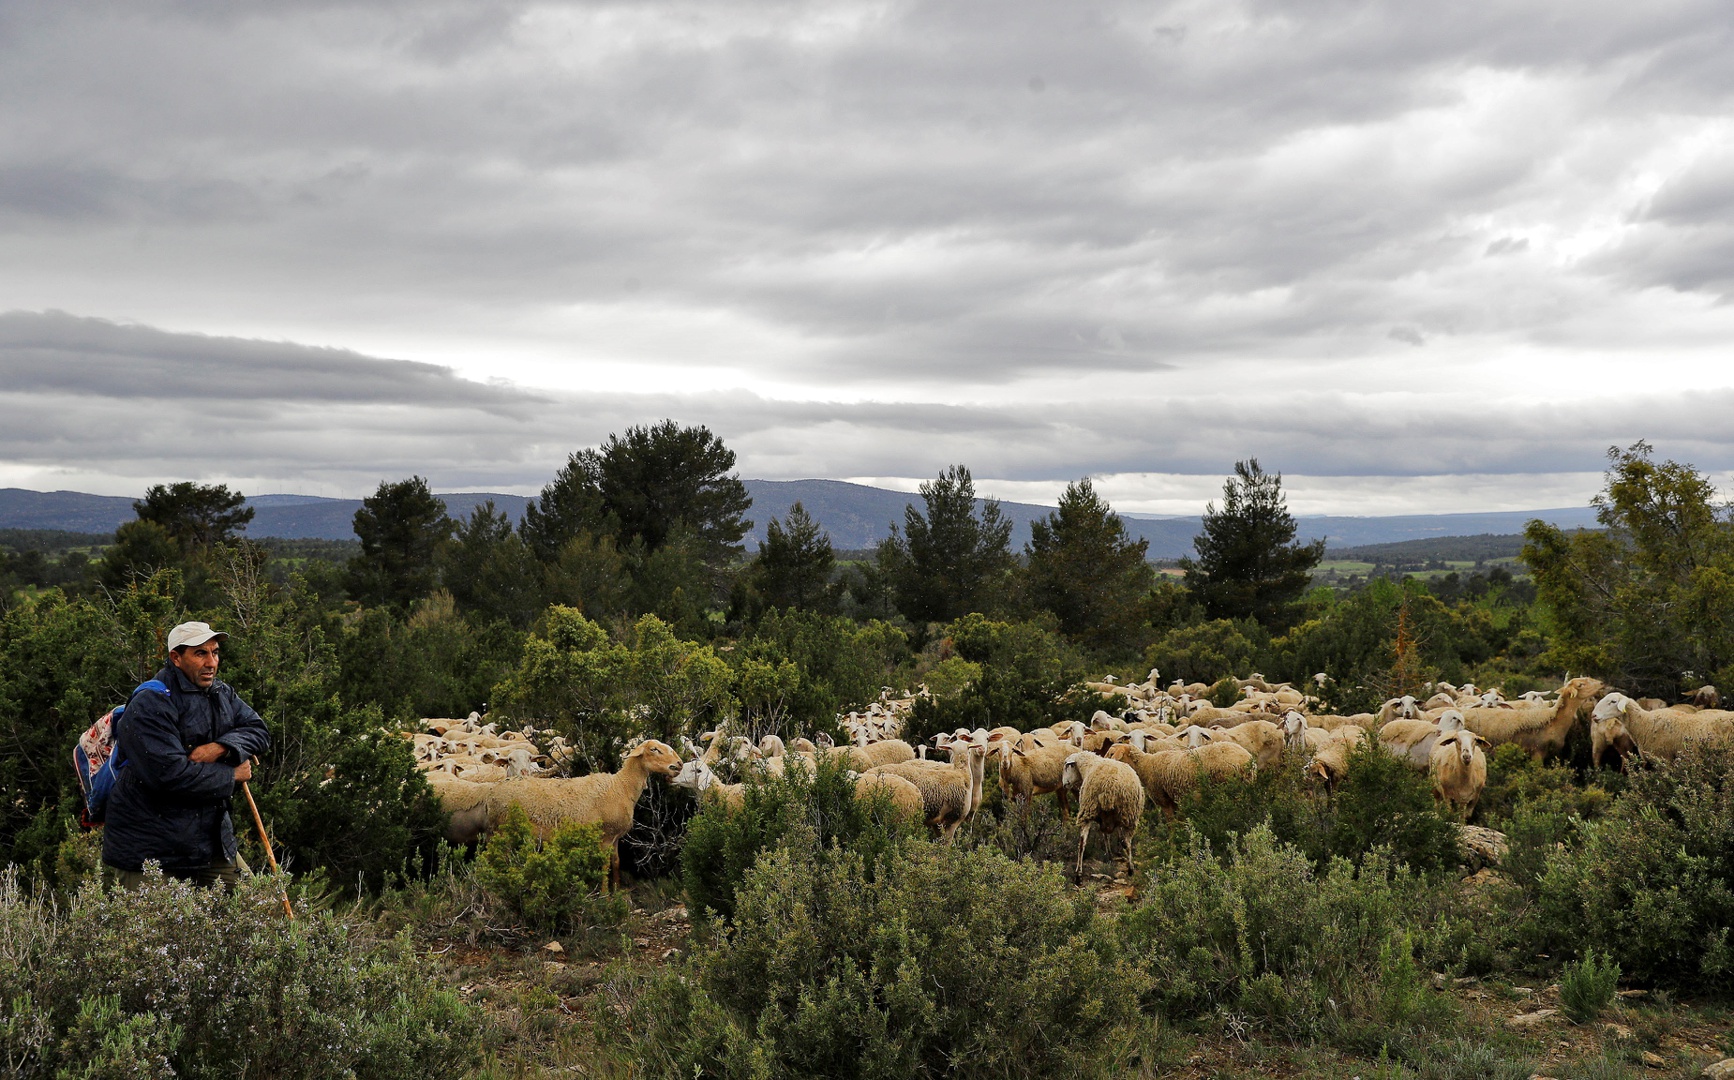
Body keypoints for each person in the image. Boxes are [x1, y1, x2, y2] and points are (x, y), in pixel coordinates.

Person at [102, 621, 272, 889]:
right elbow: (169, 776)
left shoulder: (220, 692)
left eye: (214, 652)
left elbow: (258, 730)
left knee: (259, 906)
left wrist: (221, 747)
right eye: (200, 653)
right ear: (176, 658)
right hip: (148, 851)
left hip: (207, 842)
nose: (211, 662)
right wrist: (231, 774)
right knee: (147, 930)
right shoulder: (150, 703)